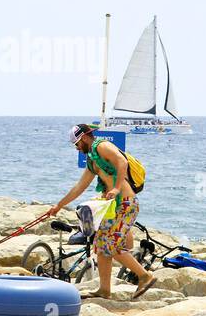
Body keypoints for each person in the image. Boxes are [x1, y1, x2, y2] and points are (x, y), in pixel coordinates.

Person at [50, 124, 156, 299]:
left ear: (83, 138)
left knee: (111, 245)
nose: (76, 148)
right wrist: (59, 206)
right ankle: (104, 290)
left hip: (126, 204)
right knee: (100, 246)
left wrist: (115, 188)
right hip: (112, 207)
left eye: (76, 144)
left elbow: (122, 162)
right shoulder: (93, 160)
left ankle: (145, 275)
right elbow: (79, 187)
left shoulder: (102, 146)